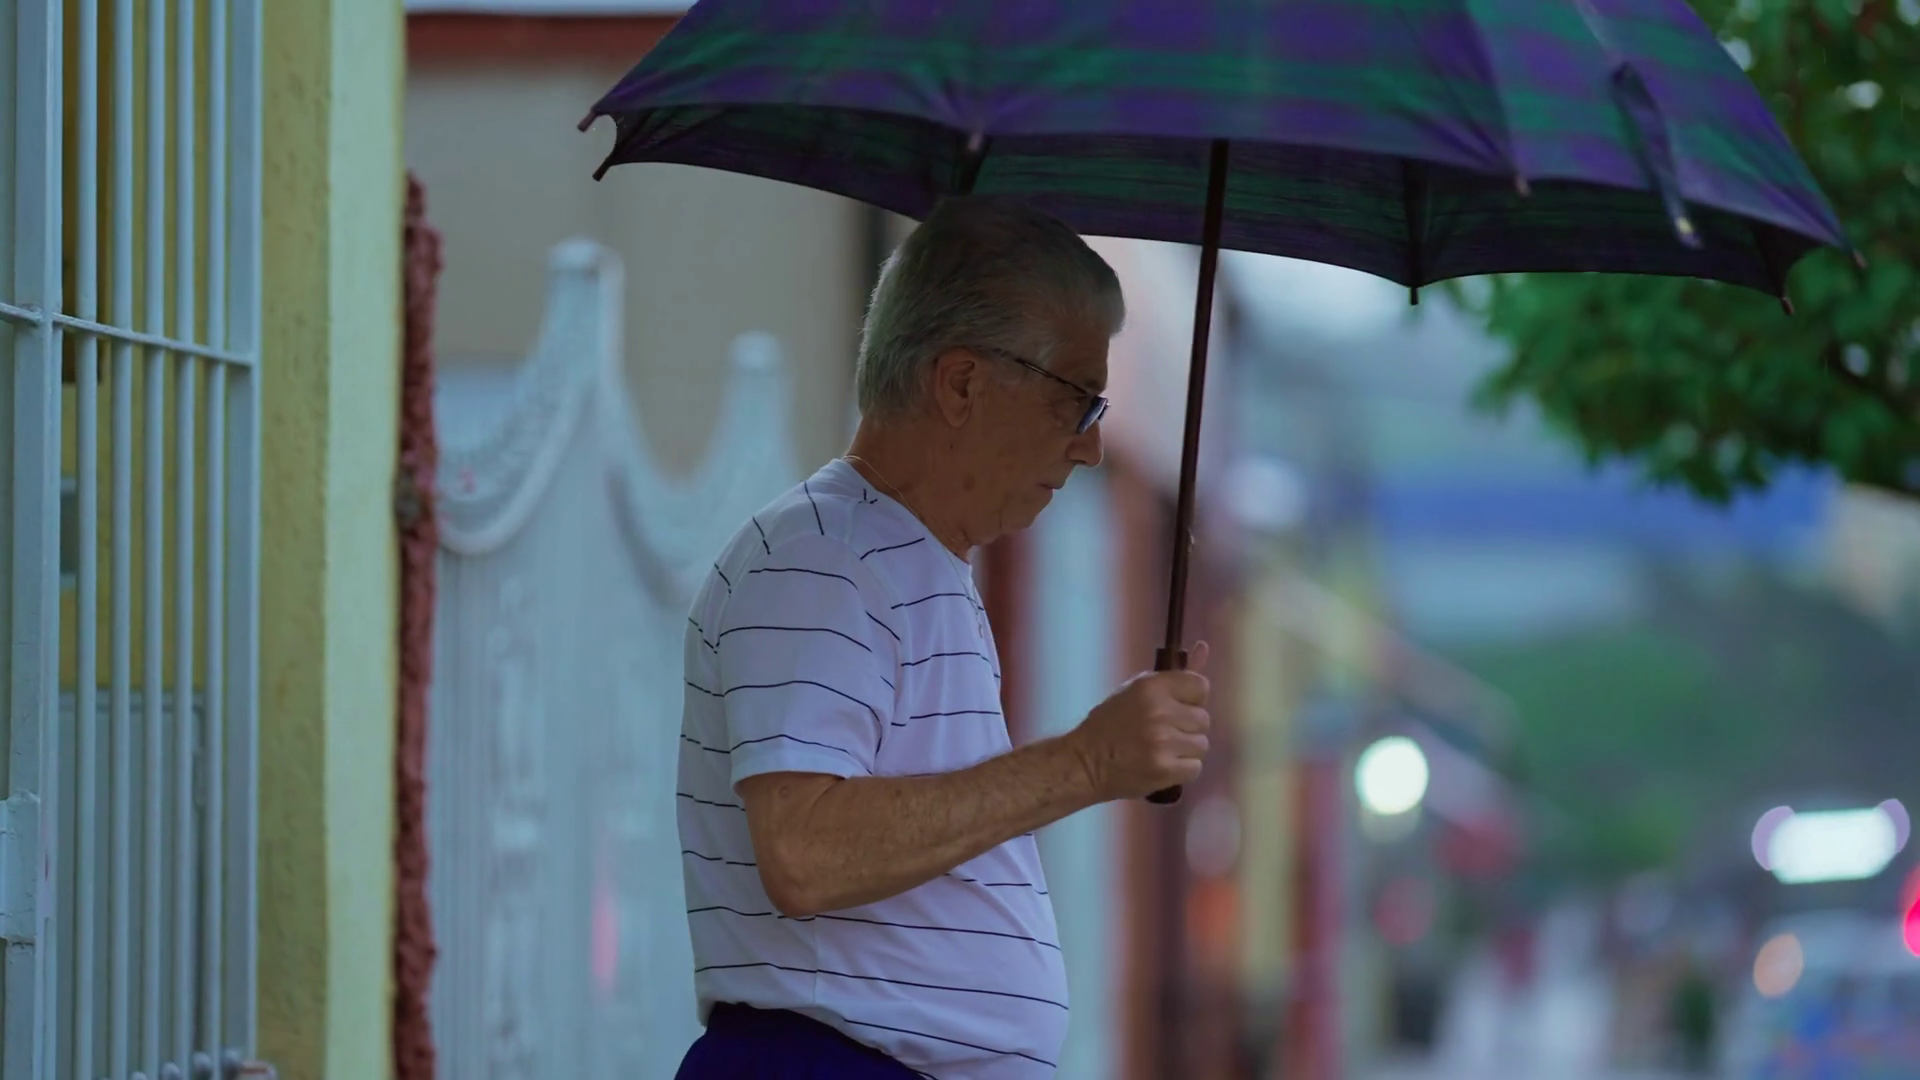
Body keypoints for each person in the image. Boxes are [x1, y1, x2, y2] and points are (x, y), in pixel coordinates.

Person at [673, 195, 1213, 1079]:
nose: (1092, 448)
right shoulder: (826, 556)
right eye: (1078, 401)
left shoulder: (892, 559)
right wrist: (1086, 764)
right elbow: (805, 853)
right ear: (962, 383)